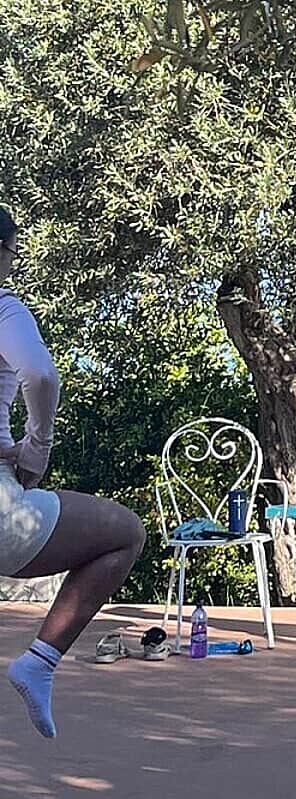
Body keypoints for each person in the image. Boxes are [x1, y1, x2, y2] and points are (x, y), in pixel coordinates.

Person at [0, 206, 146, 738]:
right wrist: (36, 447)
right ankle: (39, 662)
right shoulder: (4, 309)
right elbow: (40, 375)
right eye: (12, 253)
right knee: (125, 533)